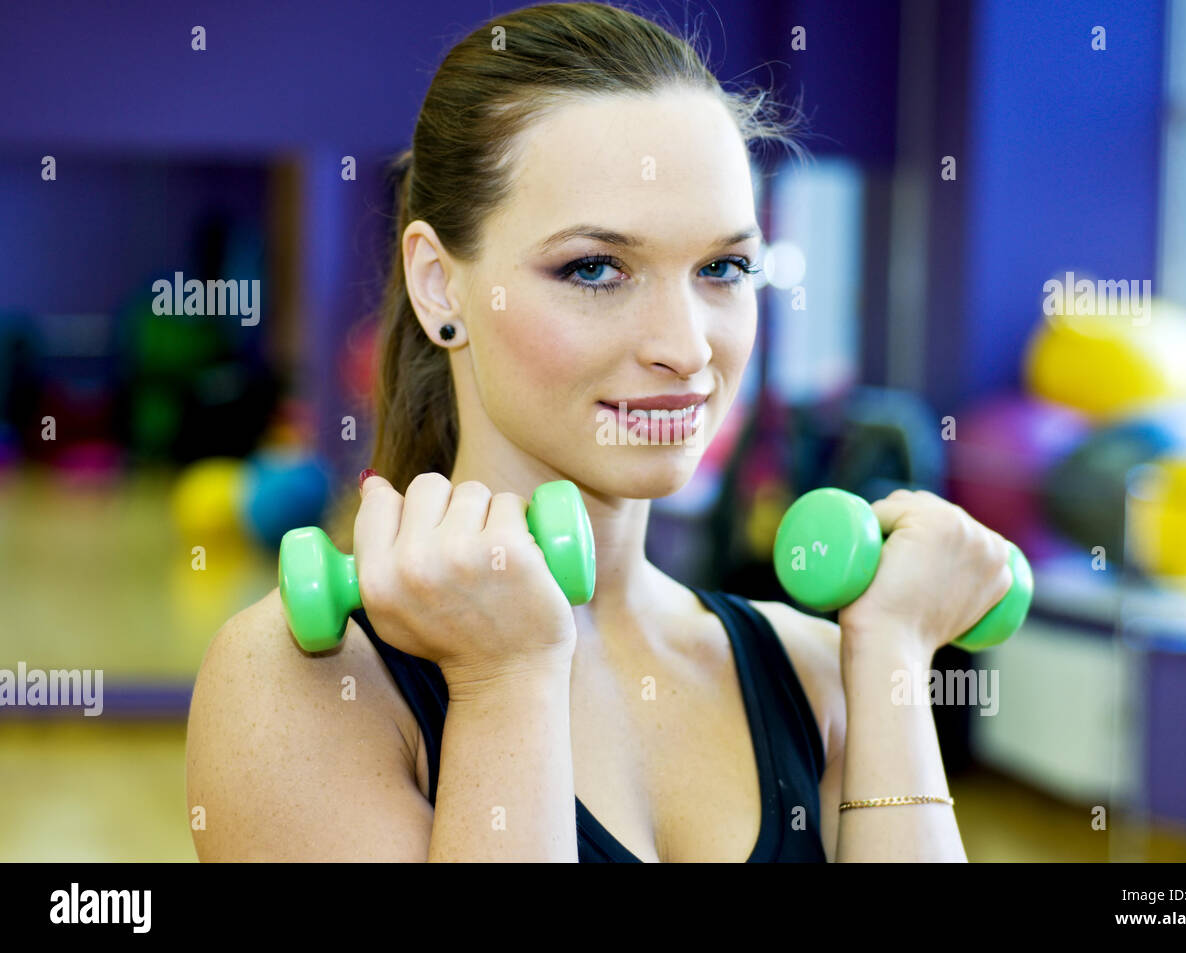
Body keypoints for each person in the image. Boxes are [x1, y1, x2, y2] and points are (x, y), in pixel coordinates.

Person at [185, 1, 1013, 862]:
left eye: (723, 268)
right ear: (440, 286)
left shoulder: (818, 673)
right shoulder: (301, 679)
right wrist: (504, 681)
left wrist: (891, 661)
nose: (686, 346)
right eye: (595, 268)